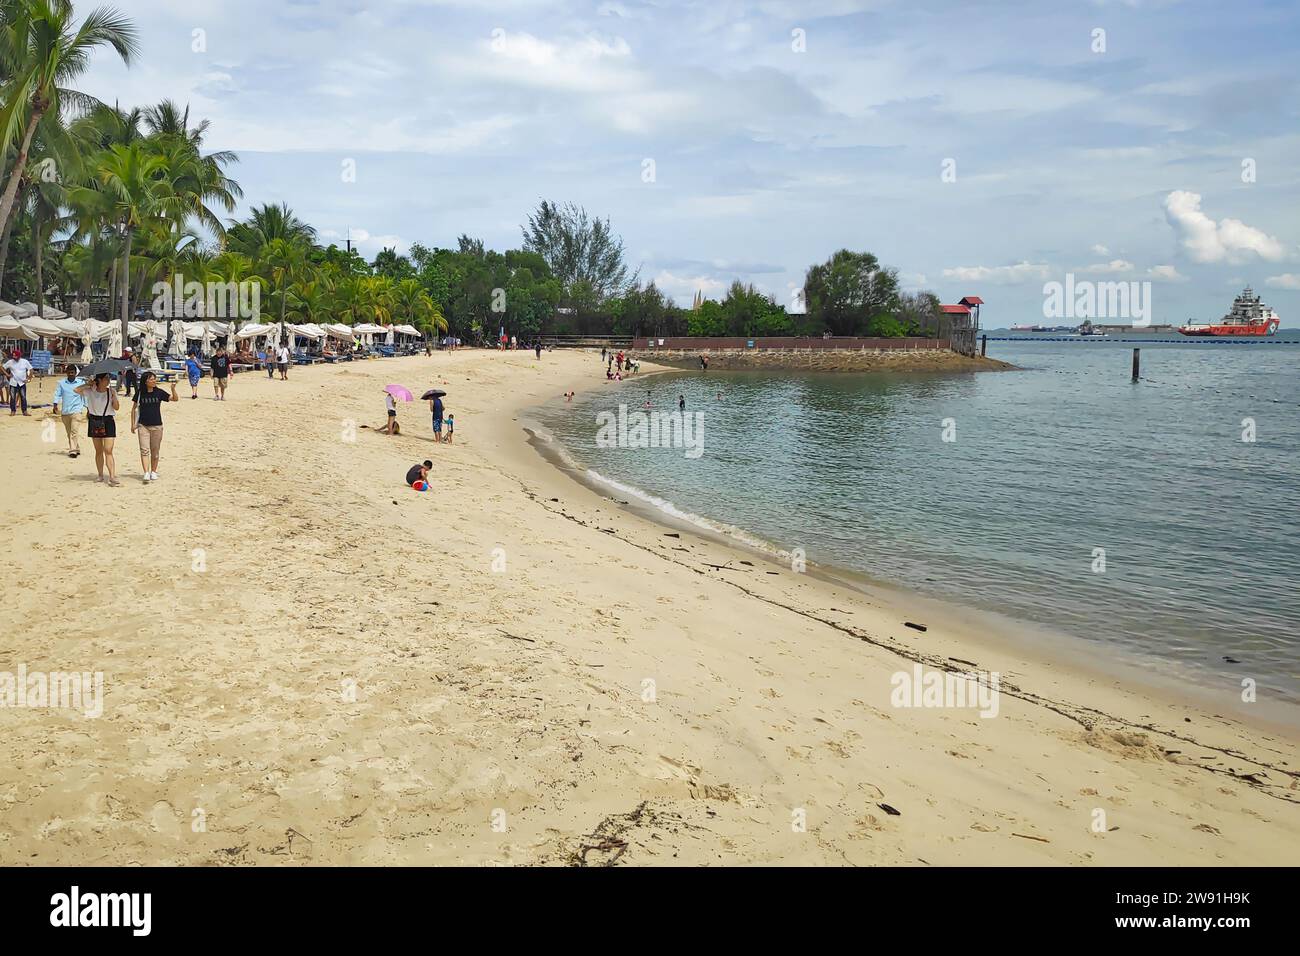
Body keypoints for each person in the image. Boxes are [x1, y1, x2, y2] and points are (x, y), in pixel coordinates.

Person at [131, 371, 179, 483]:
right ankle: (146, 472)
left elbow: (175, 399)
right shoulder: (139, 393)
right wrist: (132, 424)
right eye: (151, 379)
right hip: (143, 425)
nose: (154, 381)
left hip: (157, 425)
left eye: (154, 379)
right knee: (144, 450)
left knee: (155, 451)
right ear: (145, 381)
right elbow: (133, 409)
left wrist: (173, 389)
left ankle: (153, 471)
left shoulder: (159, 392)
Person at [77, 373, 120, 486]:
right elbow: (76, 390)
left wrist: (114, 396)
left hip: (108, 420)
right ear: (99, 380)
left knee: (108, 449)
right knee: (99, 450)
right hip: (95, 420)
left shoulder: (111, 391)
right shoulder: (91, 391)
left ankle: (112, 475)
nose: (108, 380)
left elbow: (116, 407)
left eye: (108, 378)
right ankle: (100, 474)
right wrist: (88, 384)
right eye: (106, 378)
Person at [52, 365, 87, 458]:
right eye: (69, 372)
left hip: (77, 411)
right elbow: (57, 394)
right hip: (65, 411)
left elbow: (85, 396)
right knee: (69, 432)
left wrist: (88, 408)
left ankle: (72, 451)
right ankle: (76, 447)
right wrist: (55, 404)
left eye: (72, 372)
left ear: (76, 373)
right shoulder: (61, 383)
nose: (71, 374)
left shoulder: (81, 383)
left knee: (74, 431)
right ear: (66, 373)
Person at [4, 348, 33, 416]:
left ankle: (24, 411)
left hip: (22, 382)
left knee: (23, 397)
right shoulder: (10, 362)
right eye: (13, 355)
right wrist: (7, 374)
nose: (14, 357)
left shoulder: (25, 361)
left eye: (15, 356)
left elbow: (31, 369)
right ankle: (13, 411)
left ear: (19, 356)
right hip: (13, 382)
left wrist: (29, 378)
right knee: (13, 397)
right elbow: (2, 367)